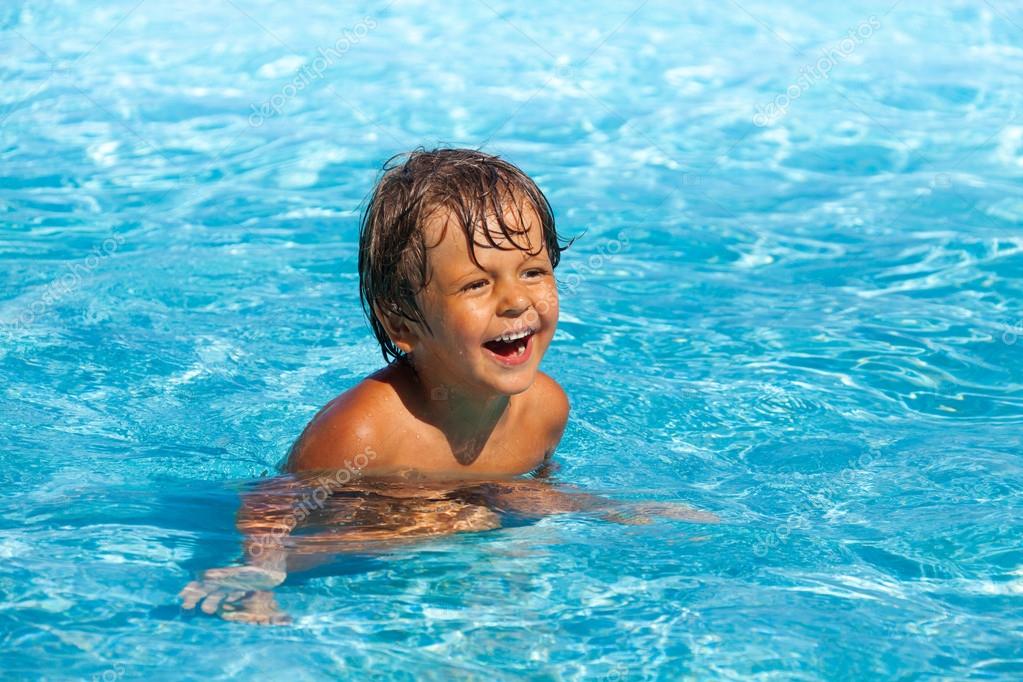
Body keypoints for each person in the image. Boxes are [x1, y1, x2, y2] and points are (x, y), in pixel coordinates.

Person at [180, 149, 716, 624]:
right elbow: (274, 504)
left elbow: (532, 487)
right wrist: (261, 573)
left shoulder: (546, 408)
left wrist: (602, 507)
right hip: (352, 544)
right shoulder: (365, 429)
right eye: (476, 284)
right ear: (402, 323)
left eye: (533, 272)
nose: (516, 301)